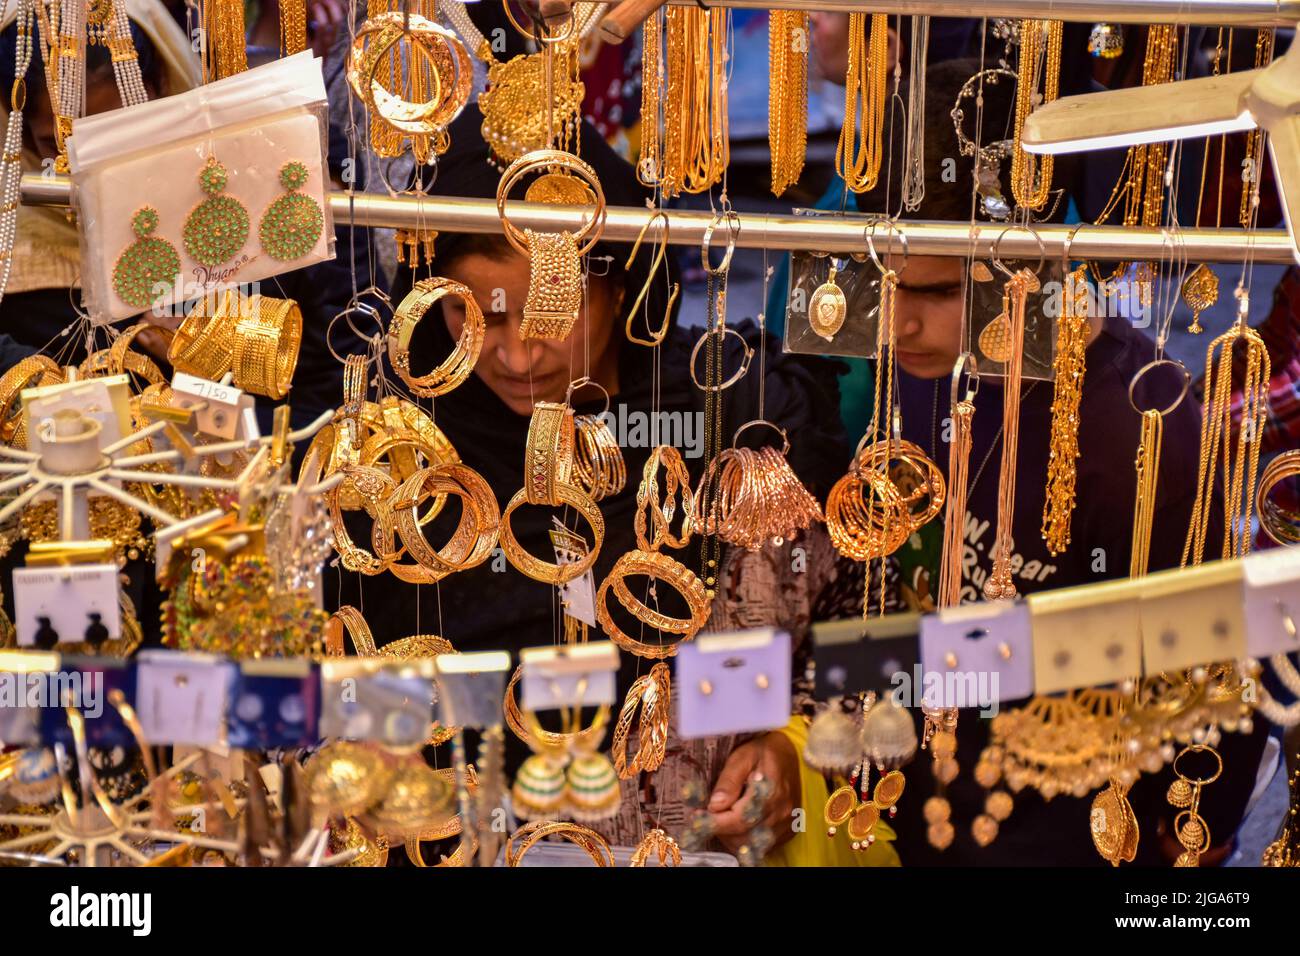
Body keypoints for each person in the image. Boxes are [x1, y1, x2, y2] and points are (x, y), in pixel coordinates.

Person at [329, 103, 889, 864]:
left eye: (551, 316)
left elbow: (864, 630)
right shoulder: (394, 455)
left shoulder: (741, 422)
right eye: (477, 319)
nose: (517, 357)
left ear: (621, 289)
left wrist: (791, 749)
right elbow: (328, 667)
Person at [814, 56, 1269, 865]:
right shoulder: (922, 371)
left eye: (934, 293)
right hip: (912, 800)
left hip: (1070, 828)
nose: (894, 324)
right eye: (884, 281)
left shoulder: (1142, 431)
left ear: (1033, 263)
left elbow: (1210, 694)